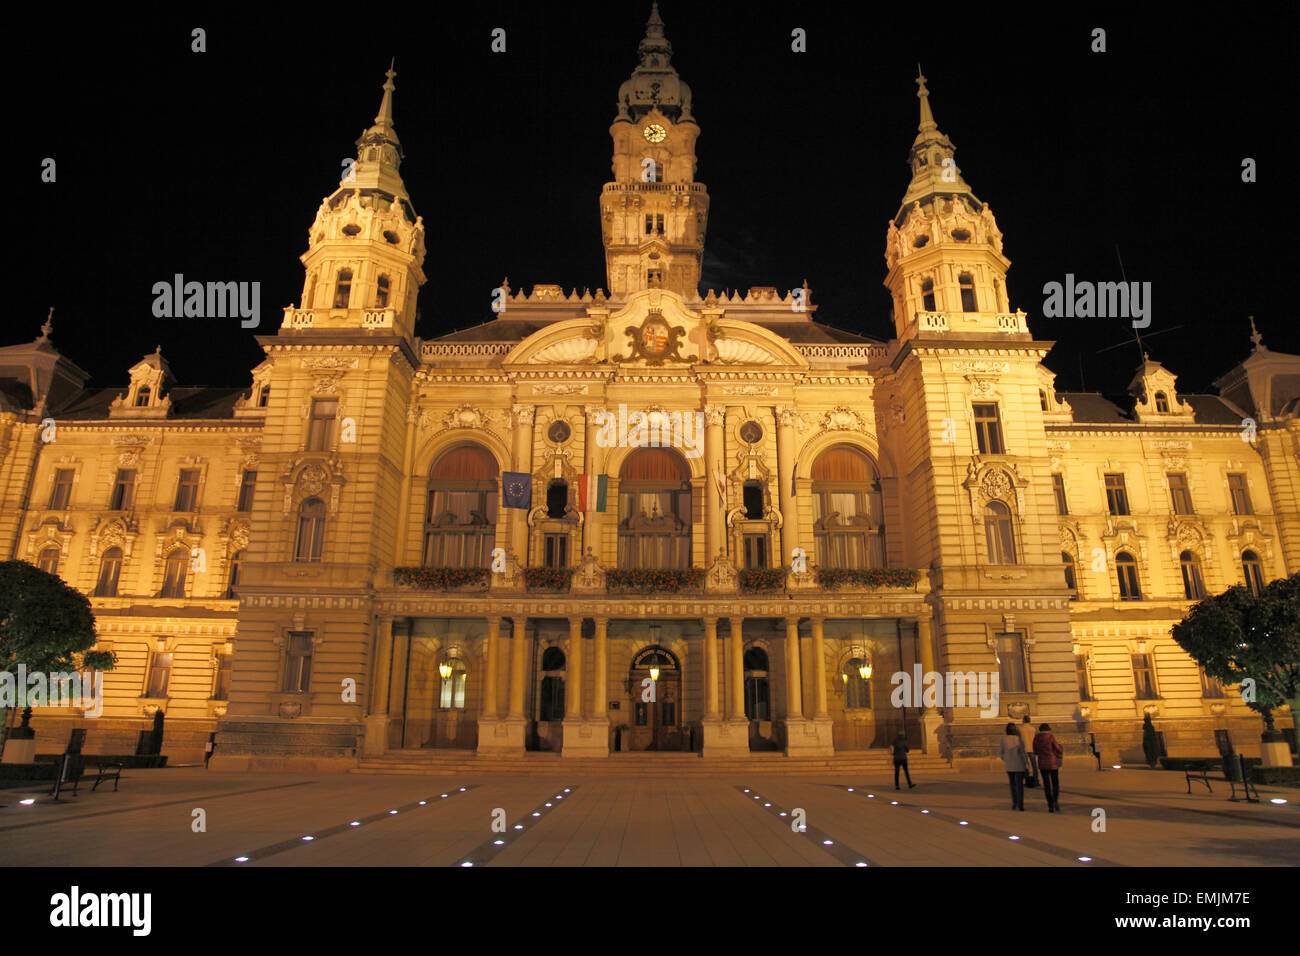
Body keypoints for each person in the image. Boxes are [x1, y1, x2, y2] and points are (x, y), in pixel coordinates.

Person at [1033, 723, 1064, 812]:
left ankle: (1050, 805)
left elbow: (1035, 751)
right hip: (1052, 763)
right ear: (1048, 729)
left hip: (1042, 763)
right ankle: (1055, 801)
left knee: (1046, 785)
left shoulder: (1036, 738)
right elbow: (1058, 748)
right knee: (1055, 784)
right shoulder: (1050, 737)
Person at [1000, 722, 1028, 810]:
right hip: (1019, 765)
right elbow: (1023, 753)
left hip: (1009, 766)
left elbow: (1001, 753)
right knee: (1019, 785)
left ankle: (1014, 803)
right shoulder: (1019, 740)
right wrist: (1026, 765)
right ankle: (1021, 804)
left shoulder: (1003, 740)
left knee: (1012, 785)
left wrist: (1006, 759)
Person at [1018, 714, 1039, 786]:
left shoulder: (1020, 729)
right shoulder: (1033, 729)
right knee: (1034, 766)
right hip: (1032, 748)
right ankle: (1036, 780)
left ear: (1023, 720)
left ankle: (1027, 781)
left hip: (1024, 749)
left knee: (1026, 766)